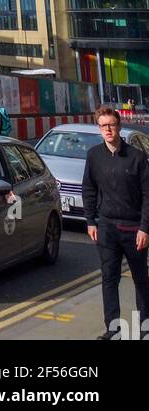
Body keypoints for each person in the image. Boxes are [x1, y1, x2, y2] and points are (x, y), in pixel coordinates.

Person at [82, 105, 149, 340]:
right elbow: (89, 189)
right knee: (109, 278)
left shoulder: (137, 157)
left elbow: (148, 195)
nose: (108, 129)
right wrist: (90, 221)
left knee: (141, 278)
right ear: (99, 129)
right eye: (103, 126)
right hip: (107, 227)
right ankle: (113, 329)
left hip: (133, 228)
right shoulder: (94, 156)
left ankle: (145, 325)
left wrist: (144, 227)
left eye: (111, 125)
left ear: (119, 127)